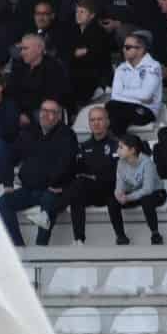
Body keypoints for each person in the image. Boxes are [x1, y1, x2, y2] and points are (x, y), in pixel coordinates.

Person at [0, 98, 78, 247]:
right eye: (43, 111)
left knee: (49, 201)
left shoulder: (67, 135)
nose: (46, 115)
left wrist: (54, 183)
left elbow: (67, 164)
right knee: (3, 202)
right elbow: (10, 157)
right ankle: (18, 246)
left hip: (52, 190)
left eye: (51, 112)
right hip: (29, 190)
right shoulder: (29, 132)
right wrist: (8, 183)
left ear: (59, 116)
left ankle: (41, 247)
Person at [49, 105, 119, 245]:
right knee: (76, 191)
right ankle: (79, 240)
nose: (96, 123)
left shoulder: (117, 145)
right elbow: (75, 171)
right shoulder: (84, 146)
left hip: (111, 192)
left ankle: (51, 212)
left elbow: (117, 173)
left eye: (100, 119)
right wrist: (63, 187)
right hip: (89, 191)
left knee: (79, 184)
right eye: (92, 120)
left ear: (107, 122)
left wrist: (93, 177)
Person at [110, 132, 166, 245]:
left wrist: (128, 197)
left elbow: (148, 189)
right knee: (112, 202)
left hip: (156, 193)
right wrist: (119, 195)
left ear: (132, 150)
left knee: (146, 199)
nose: (118, 150)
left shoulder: (147, 163)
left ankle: (155, 234)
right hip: (135, 194)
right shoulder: (121, 163)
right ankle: (121, 236)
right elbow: (119, 184)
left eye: (121, 147)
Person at [106, 32, 164, 134]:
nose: (124, 50)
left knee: (115, 112)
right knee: (111, 106)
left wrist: (124, 92)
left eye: (128, 47)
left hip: (146, 110)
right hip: (125, 107)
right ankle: (122, 143)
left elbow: (146, 95)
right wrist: (138, 97)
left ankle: (116, 144)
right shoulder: (121, 68)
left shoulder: (153, 66)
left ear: (141, 50)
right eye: (123, 47)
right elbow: (115, 95)